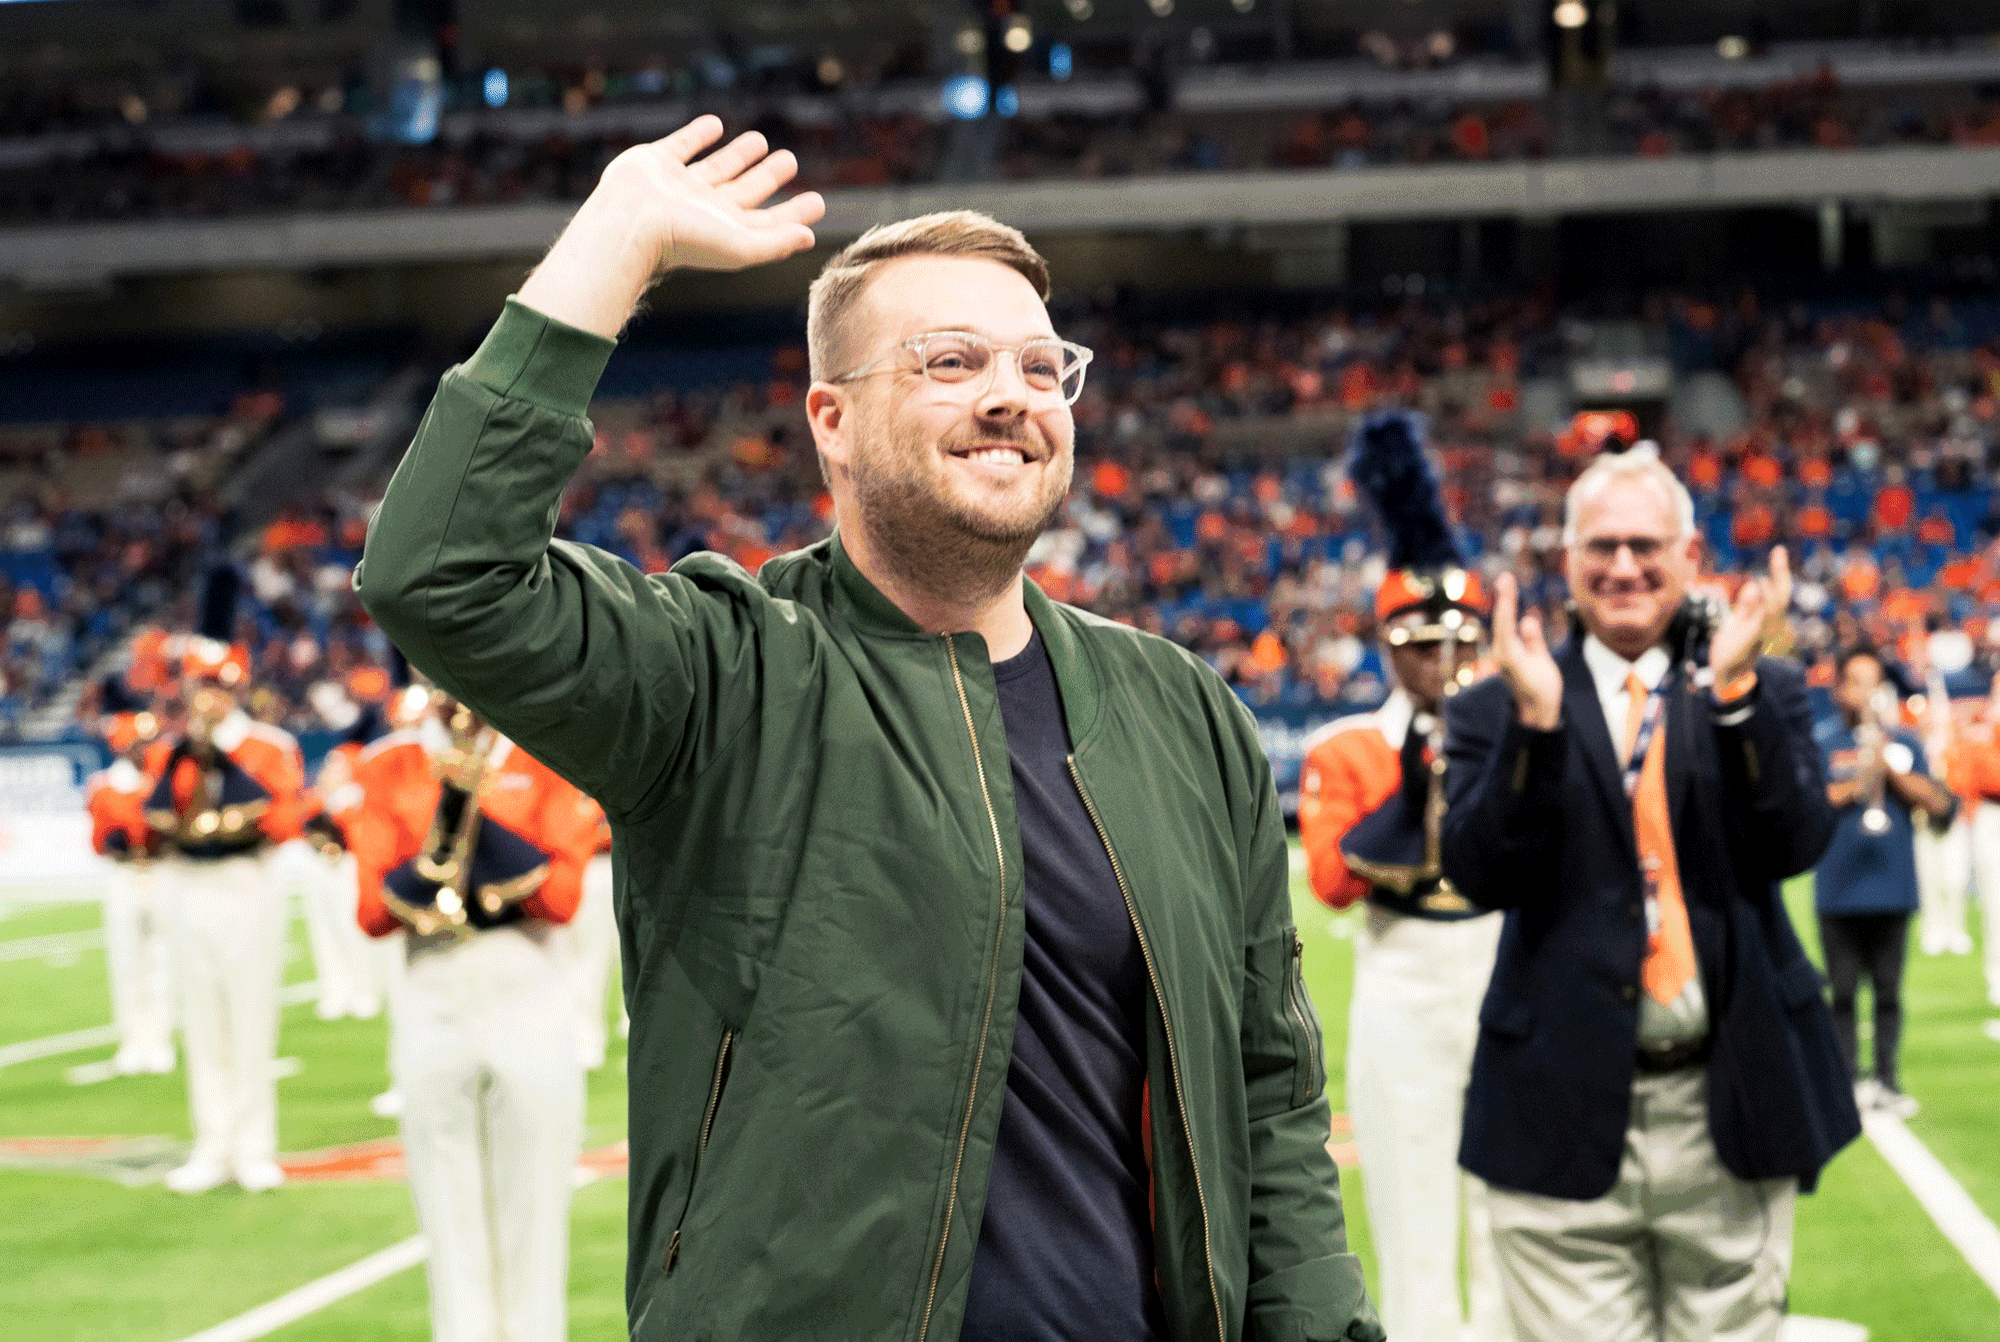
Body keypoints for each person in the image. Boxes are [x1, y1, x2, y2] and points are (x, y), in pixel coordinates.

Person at [356, 115, 1378, 1342]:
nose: (1008, 396)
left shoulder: (1179, 709)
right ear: (829, 420)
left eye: (1040, 366)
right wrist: (618, 239)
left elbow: (1269, 1096)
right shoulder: (724, 672)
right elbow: (440, 574)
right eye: (949, 361)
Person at [1440, 444, 1858, 1342]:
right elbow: (1478, 876)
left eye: (1645, 545)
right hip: (1557, 1106)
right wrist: (1537, 729)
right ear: (1568, 561)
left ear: (1690, 557)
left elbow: (1796, 844)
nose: (1623, 567)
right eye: (1601, 547)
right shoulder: (1496, 704)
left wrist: (1736, 693)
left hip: (1728, 1098)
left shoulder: (1762, 685)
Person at [1297, 411, 1508, 1342]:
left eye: (1460, 642)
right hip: (1404, 975)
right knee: (1411, 1211)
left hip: (1502, 964)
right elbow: (1334, 882)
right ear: (1390, 647)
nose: (1444, 663)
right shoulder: (1349, 747)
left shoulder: (1516, 735)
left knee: (1511, 1213)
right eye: (1424, 645)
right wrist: (1417, 778)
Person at [342, 689, 594, 1342]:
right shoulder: (389, 764)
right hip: (432, 992)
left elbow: (562, 897)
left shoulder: (547, 749)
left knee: (535, 1206)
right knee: (446, 1212)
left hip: (529, 988)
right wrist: (452, 807)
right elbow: (371, 911)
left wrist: (470, 805)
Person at [144, 630, 309, 1194]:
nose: (207, 695)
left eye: (216, 684)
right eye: (200, 684)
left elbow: (285, 820)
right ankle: (212, 1145)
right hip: (186, 882)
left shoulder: (268, 745)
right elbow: (152, 819)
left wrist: (231, 776)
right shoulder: (170, 750)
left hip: (246, 880)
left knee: (250, 1017)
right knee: (201, 1019)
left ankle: (255, 1147)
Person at [1812, 646, 1955, 1118]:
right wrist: (1857, 783)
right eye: (1856, 682)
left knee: (1889, 993)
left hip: (1893, 886)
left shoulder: (1905, 743)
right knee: (1842, 993)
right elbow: (1808, 803)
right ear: (1838, 689)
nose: (1867, 693)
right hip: (1838, 887)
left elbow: (1939, 804)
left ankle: (1887, 1080)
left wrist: (1890, 770)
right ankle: (1847, 1081)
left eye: (1874, 682)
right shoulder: (1823, 740)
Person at [88, 705, 176, 1076]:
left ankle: (159, 1039)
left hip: (160, 872)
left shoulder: (160, 780)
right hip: (125, 877)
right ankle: (132, 1039)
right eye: (140, 742)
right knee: (127, 960)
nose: (148, 748)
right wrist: (121, 843)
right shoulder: (106, 787)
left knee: (161, 958)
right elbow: (99, 840)